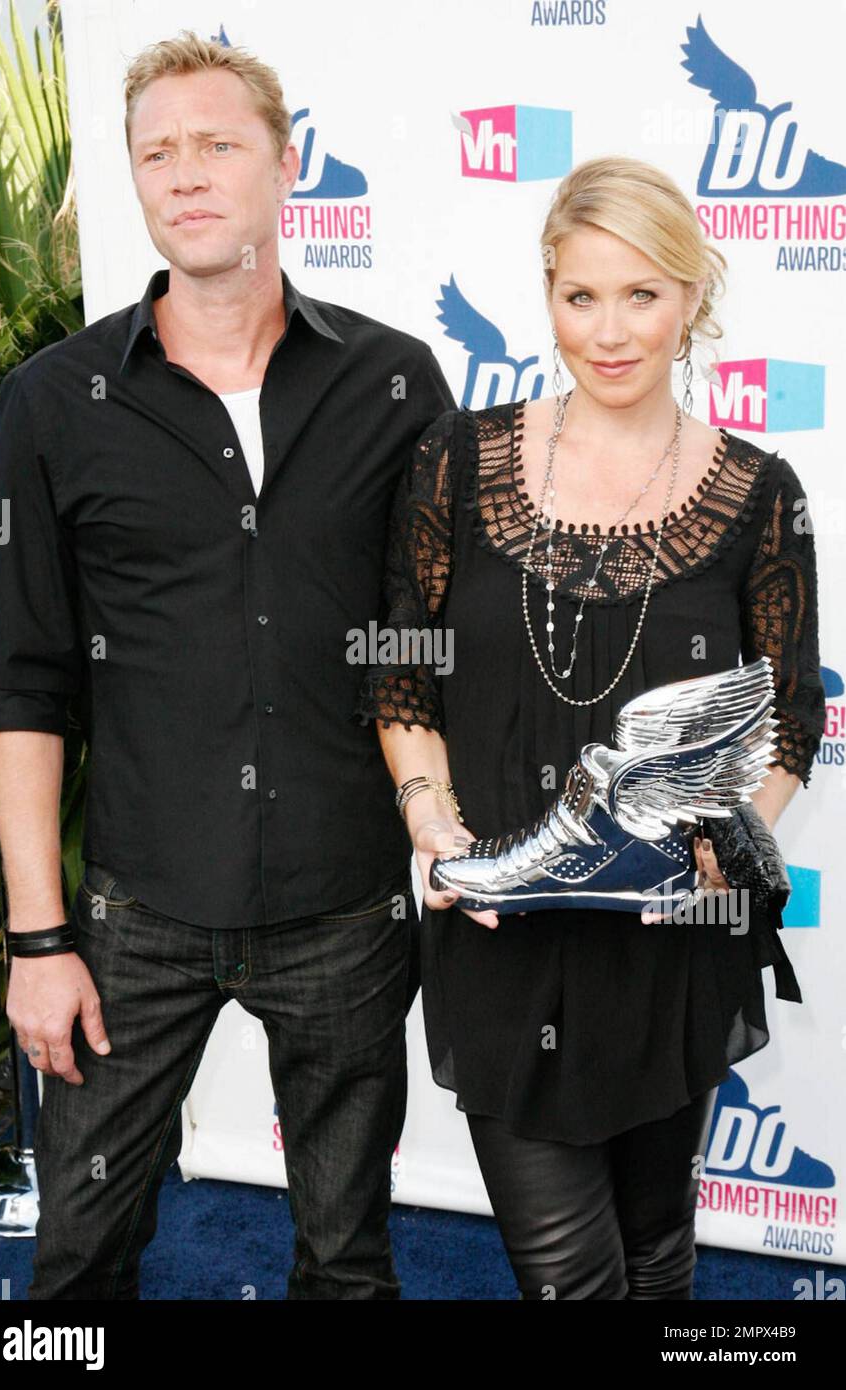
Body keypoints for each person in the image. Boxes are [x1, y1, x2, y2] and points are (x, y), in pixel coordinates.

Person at [0, 32, 454, 1300]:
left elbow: (420, 640)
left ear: (287, 167)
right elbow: (23, 679)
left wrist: (441, 826)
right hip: (135, 918)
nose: (187, 173)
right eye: (157, 151)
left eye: (219, 144)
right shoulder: (52, 400)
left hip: (347, 910)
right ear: (134, 179)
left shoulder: (399, 381)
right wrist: (37, 936)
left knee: (347, 1263)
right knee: (74, 1266)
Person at [357, 155, 826, 1300]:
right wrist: (436, 825)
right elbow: (400, 667)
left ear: (690, 299)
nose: (609, 330)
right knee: (568, 1275)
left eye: (640, 294)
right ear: (547, 297)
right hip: (501, 930)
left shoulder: (759, 492)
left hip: (670, 942)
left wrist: (736, 830)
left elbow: (791, 711)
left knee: (658, 1248)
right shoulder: (456, 461)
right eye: (580, 296)